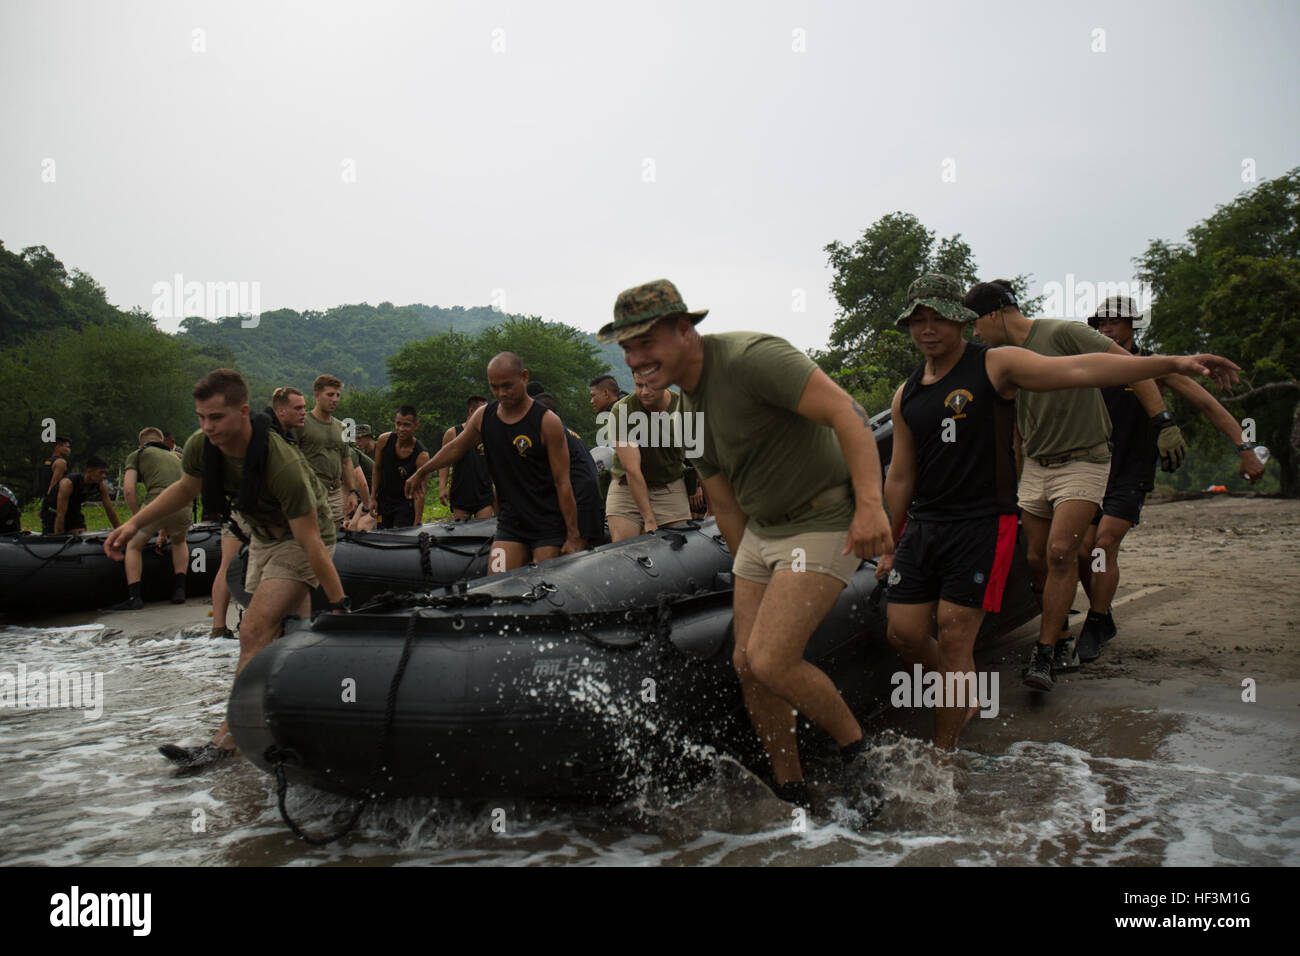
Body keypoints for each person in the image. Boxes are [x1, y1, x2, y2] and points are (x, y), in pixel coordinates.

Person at [879, 275, 1241, 746]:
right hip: (925, 525)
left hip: (982, 524)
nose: (928, 329)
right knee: (903, 634)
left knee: (957, 638)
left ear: (963, 322)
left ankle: (943, 759)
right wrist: (889, 541)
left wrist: (1177, 363)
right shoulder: (907, 393)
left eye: (939, 319)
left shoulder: (996, 364)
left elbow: (1083, 370)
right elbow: (901, 475)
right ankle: (960, 689)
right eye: (918, 321)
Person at [599, 278, 893, 810]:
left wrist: (871, 506)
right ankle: (791, 787)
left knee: (772, 660)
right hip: (761, 532)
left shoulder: (753, 358)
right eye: (627, 349)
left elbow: (846, 413)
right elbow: (724, 500)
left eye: (646, 343)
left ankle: (860, 757)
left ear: (686, 330)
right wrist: (746, 569)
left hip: (822, 518)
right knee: (745, 660)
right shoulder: (685, 412)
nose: (635, 359)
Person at [104, 369, 346, 769]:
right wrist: (133, 524)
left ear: (243, 412)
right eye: (201, 417)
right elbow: (184, 489)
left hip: (303, 538)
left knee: (252, 629)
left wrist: (339, 605)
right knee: (284, 636)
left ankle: (228, 738)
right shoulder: (203, 445)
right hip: (263, 537)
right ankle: (294, 720)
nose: (206, 426)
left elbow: (311, 543)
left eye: (216, 417)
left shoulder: (279, 461)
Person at [964, 280, 1183, 689]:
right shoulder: (996, 358)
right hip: (1036, 465)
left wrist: (1163, 422)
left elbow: (1132, 367)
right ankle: (1062, 631)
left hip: (1084, 459)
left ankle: (1045, 654)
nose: (974, 333)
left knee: (1062, 552)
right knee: (1035, 560)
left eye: (975, 323)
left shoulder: (1061, 333)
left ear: (993, 314)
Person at [1072, 295, 1267, 661]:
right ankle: (1106, 613)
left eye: (1114, 321)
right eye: (1101, 322)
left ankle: (1095, 621)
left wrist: (1246, 449)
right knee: (1082, 549)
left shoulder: (1155, 365)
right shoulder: (1091, 365)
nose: (1106, 328)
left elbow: (1210, 405)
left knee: (1104, 544)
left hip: (1133, 468)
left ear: (1133, 325)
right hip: (1091, 468)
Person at [404, 353, 585, 571]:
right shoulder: (484, 416)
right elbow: (454, 448)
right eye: (494, 387)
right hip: (511, 522)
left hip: (547, 521)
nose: (501, 393)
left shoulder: (547, 422)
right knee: (495, 580)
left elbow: (562, 482)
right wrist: (422, 471)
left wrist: (573, 535)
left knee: (545, 585)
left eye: (507, 386)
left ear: (524, 377)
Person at [603, 368, 692, 540]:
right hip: (626, 486)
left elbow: (703, 461)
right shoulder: (622, 410)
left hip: (669, 484)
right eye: (639, 385)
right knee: (624, 547)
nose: (644, 392)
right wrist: (649, 519)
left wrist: (713, 509)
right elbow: (631, 468)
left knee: (682, 546)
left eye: (651, 385)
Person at [111, 427, 192, 609]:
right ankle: (180, 590)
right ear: (162, 441)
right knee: (179, 542)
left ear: (141, 443)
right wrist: (163, 533)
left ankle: (135, 597)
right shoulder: (175, 456)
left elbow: (129, 489)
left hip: (157, 499)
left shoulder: (137, 454)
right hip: (184, 503)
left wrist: (136, 520)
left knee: (133, 545)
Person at [532, 393, 607, 545]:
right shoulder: (567, 431)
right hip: (590, 497)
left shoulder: (554, 434)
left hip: (580, 500)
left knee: (576, 552)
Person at [293, 374, 358, 528]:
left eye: (337, 395)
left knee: (334, 538)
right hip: (310, 491)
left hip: (335, 491)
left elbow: (346, 460)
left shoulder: (341, 427)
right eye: (330, 395)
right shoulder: (302, 424)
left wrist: (352, 492)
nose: (334, 399)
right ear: (317, 395)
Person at [370, 406, 430, 528]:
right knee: (382, 534)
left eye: (406, 425)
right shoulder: (384, 440)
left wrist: (417, 523)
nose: (401, 429)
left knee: (398, 538)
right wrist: (373, 498)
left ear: (415, 425)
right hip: (384, 502)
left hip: (404, 504)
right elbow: (377, 469)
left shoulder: (421, 455)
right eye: (398, 424)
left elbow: (420, 492)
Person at [438, 396, 495, 520]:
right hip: (461, 492)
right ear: (471, 411)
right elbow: (444, 463)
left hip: (483, 492)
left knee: (484, 531)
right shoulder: (453, 433)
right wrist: (442, 487)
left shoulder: (488, 433)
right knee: (461, 533)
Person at [46, 455, 119, 535]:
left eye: (105, 473)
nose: (103, 476)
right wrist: (58, 538)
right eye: (101, 472)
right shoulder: (68, 483)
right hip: (53, 511)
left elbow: (110, 510)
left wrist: (120, 531)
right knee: (58, 536)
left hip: (73, 511)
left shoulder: (100, 485)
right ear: (89, 470)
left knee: (80, 535)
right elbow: (60, 513)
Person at [36, 437, 71, 531]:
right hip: (56, 504)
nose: (69, 450)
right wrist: (46, 506)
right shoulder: (61, 462)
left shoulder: (47, 462)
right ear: (58, 447)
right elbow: (53, 484)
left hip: (48, 502)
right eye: (67, 447)